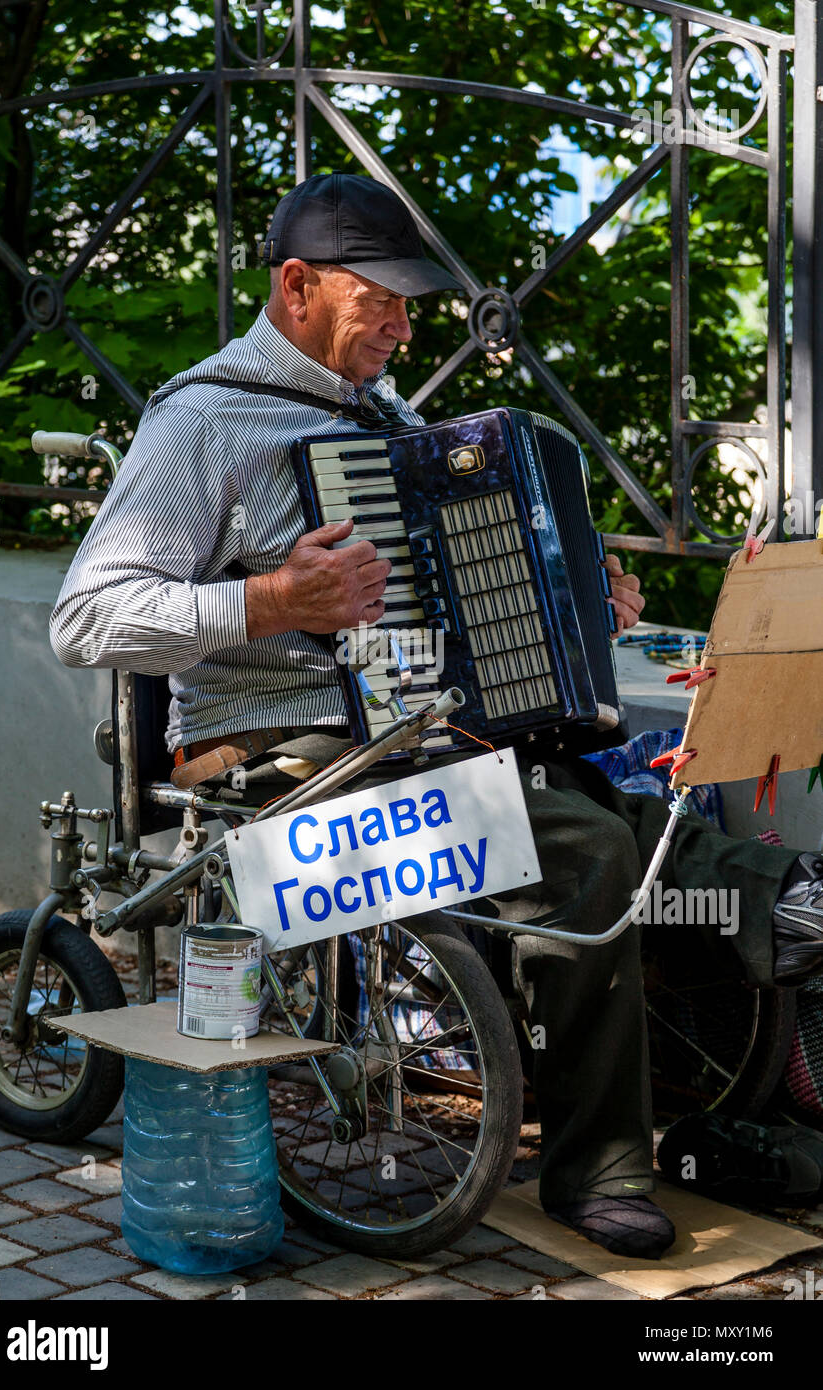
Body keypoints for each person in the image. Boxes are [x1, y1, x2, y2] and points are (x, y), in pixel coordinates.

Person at [50, 171, 823, 1259]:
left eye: (412, 305)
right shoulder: (204, 422)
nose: (406, 330)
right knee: (578, 844)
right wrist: (270, 599)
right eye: (384, 302)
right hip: (278, 750)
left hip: (412, 732)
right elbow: (87, 618)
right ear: (296, 285)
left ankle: (777, 916)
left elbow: (457, 586)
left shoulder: (387, 420)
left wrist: (578, 598)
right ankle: (596, 1170)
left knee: (623, 814)